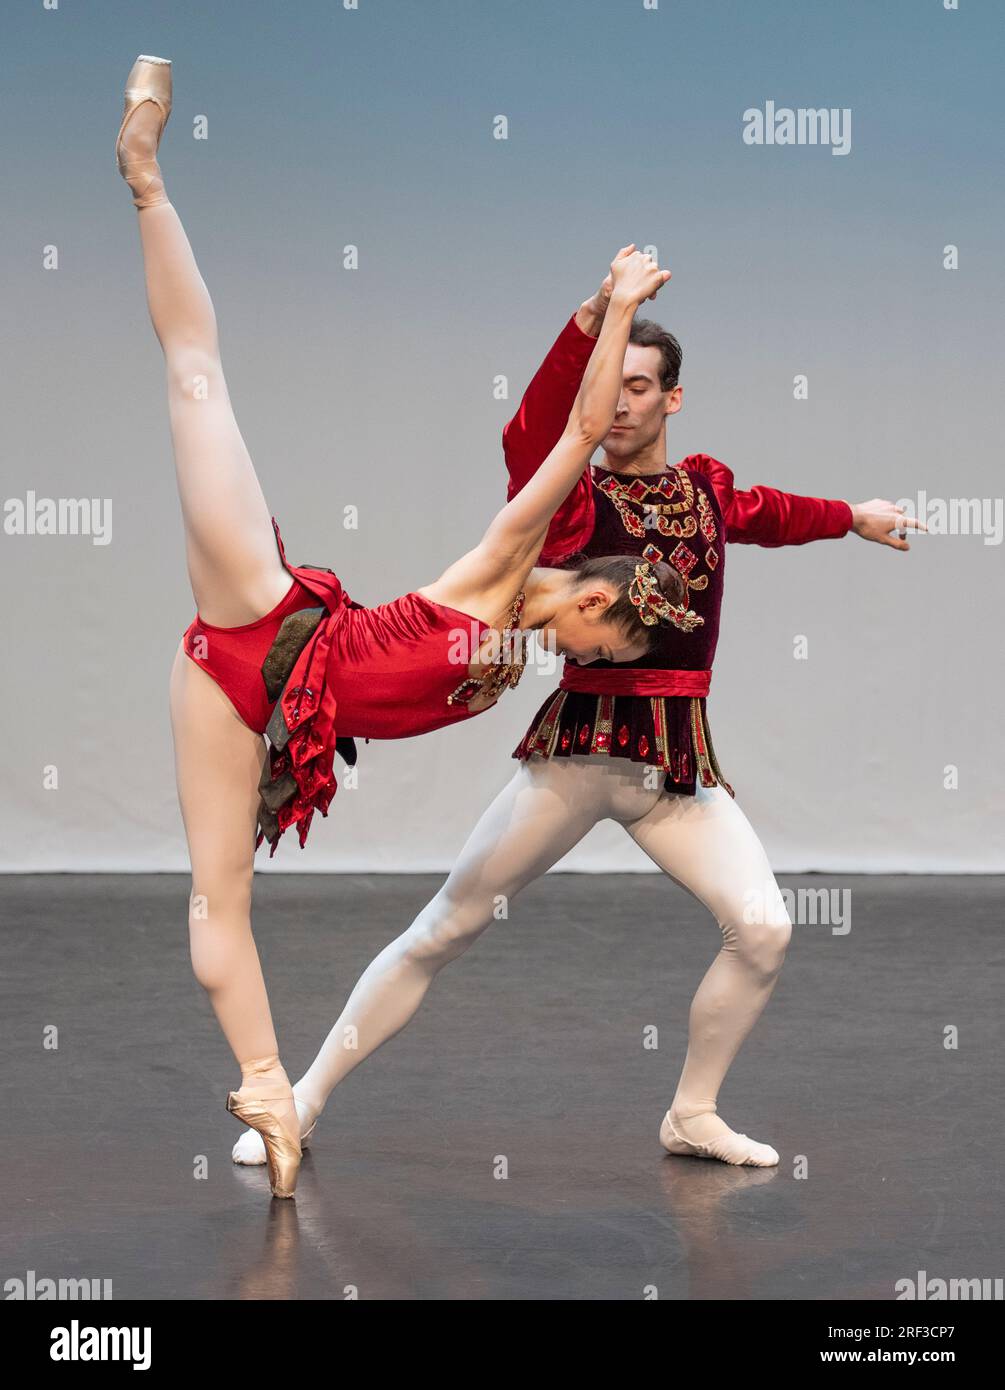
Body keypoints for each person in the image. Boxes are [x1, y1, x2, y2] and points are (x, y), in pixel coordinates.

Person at [116, 55, 684, 1198]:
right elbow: (571, 435)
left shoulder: (515, 652)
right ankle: (143, 174)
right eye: (604, 643)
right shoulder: (506, 561)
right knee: (195, 378)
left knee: (216, 899)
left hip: (244, 705)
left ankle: (270, 1090)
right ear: (590, 596)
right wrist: (612, 309)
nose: (586, 662)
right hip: (263, 619)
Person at [232, 260, 922, 1173]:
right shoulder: (569, 508)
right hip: (580, 753)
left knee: (762, 928)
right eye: (614, 386)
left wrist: (851, 516)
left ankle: (691, 1112)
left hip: (675, 770)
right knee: (445, 927)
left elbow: (768, 511)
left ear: (673, 398)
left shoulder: (704, 489)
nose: (622, 406)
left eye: (640, 387)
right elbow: (529, 435)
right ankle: (302, 1102)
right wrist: (593, 319)